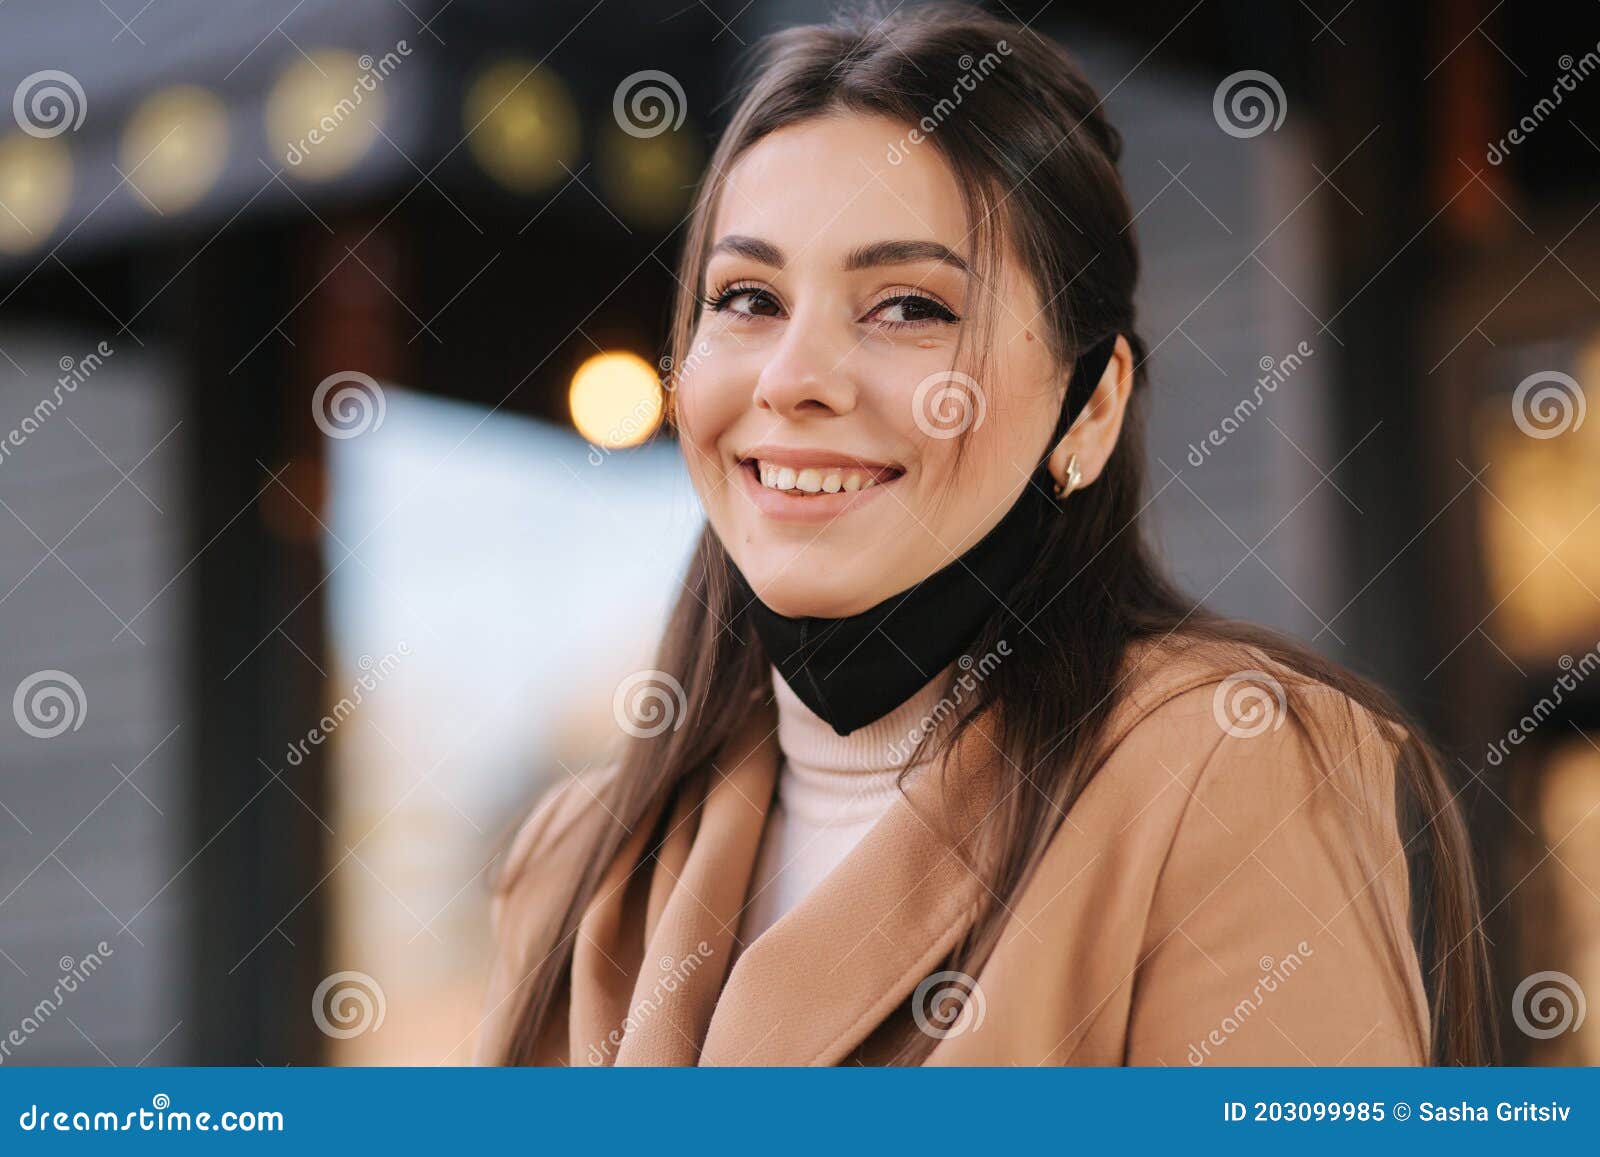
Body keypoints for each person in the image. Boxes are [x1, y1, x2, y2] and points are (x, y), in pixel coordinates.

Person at [475, 1, 1491, 1066]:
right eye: (746, 297)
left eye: (908, 306)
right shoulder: (571, 863)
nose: (791, 379)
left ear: (1088, 408)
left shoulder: (1228, 766)